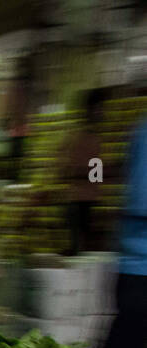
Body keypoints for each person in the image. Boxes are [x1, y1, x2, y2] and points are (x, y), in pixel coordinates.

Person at [101, 115, 147, 348]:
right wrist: (92, 182)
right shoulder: (144, 132)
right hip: (140, 263)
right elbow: (141, 199)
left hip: (137, 261)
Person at [63, 88, 106, 256]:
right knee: (79, 251)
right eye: (100, 108)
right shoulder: (79, 136)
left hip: (88, 199)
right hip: (79, 201)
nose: (102, 112)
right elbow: (70, 170)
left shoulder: (94, 136)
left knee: (83, 252)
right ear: (91, 109)